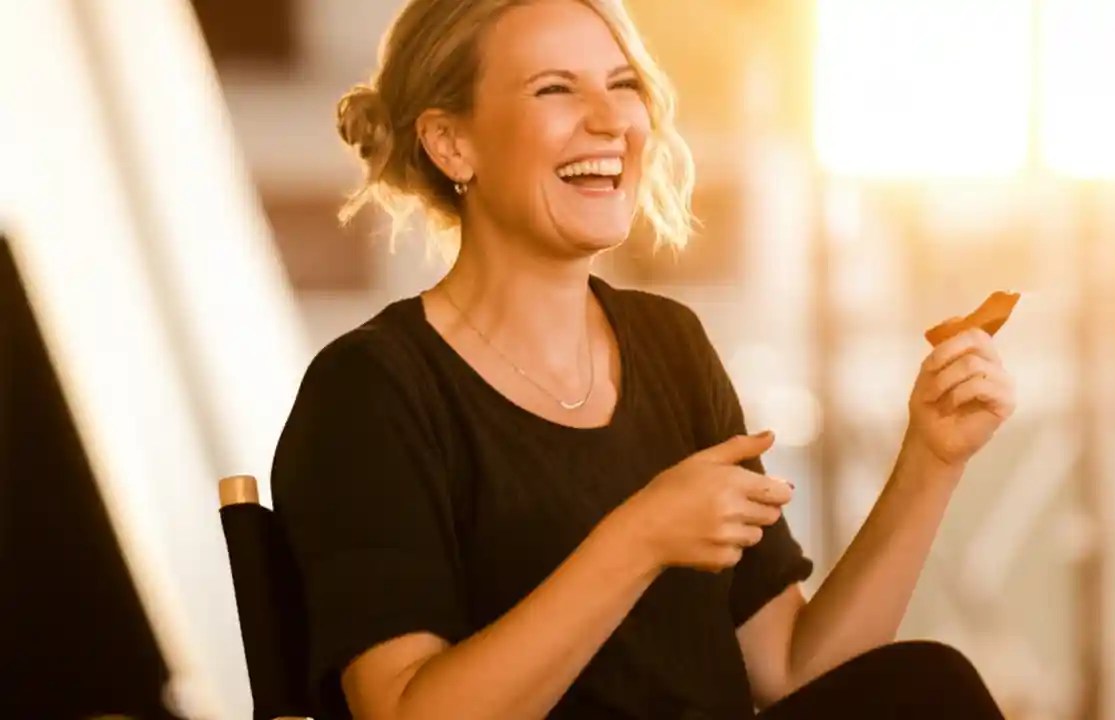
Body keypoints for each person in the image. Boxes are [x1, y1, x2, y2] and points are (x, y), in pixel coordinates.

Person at [270, 1, 1017, 718]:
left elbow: (791, 672)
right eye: (555, 88)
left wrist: (931, 460)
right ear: (452, 142)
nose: (610, 120)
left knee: (927, 684)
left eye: (622, 84)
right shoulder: (370, 392)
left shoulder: (669, 347)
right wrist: (639, 539)